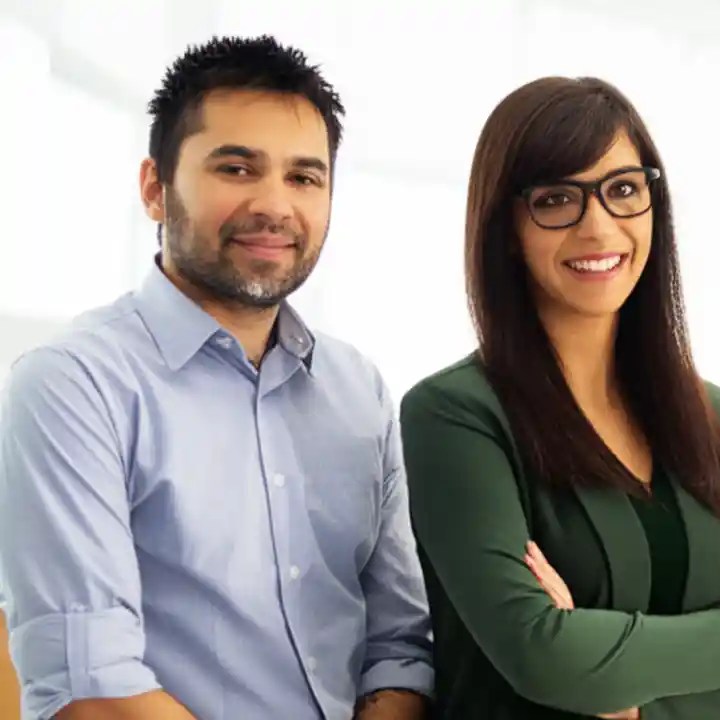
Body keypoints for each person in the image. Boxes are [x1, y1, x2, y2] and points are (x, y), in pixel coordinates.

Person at [0, 35, 433, 719]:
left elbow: (400, 647)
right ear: (155, 188)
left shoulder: (359, 390)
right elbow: (92, 689)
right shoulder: (72, 386)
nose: (275, 206)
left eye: (304, 178)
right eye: (236, 168)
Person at [399, 76, 720, 719]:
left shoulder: (711, 415)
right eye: (556, 199)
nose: (598, 227)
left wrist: (633, 707)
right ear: (506, 227)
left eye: (623, 190)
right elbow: (543, 656)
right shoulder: (454, 416)